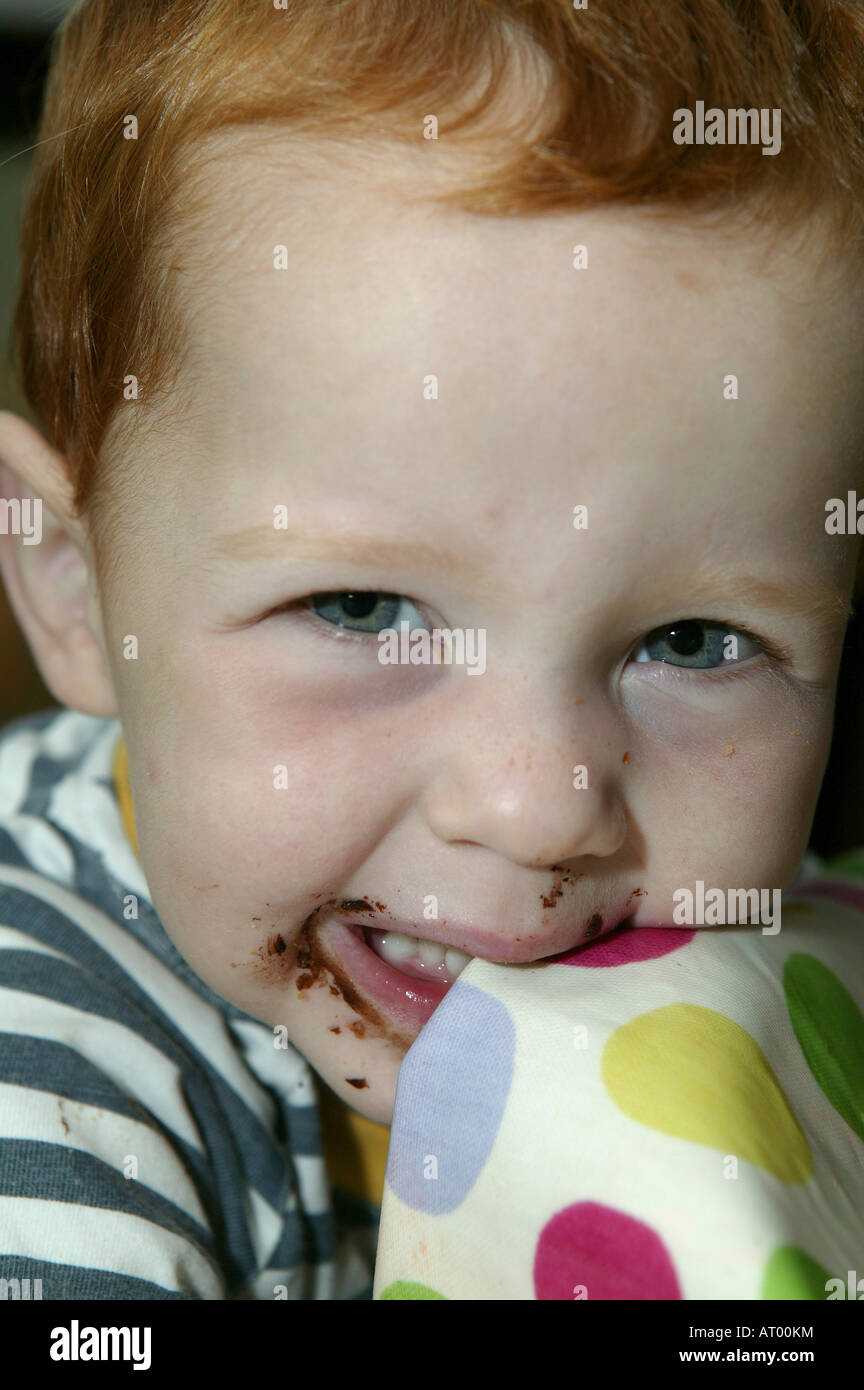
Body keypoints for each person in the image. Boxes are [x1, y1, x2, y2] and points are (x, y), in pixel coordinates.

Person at [0, 0, 862, 1299]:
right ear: (77, 593)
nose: (535, 805)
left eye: (696, 639)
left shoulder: (788, 960)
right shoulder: (41, 1060)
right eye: (360, 610)